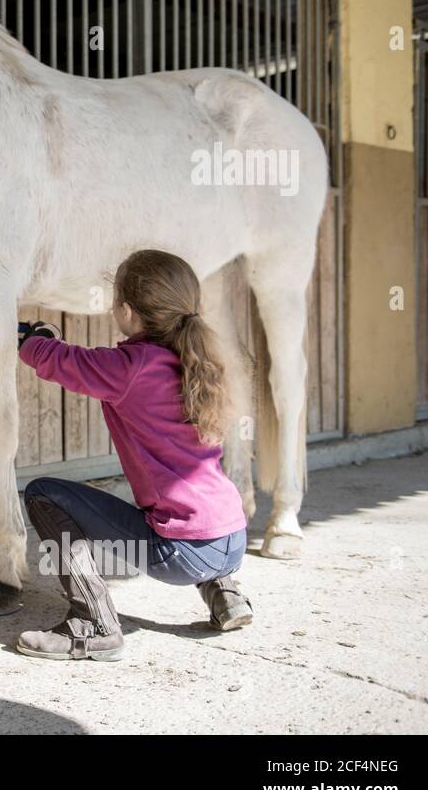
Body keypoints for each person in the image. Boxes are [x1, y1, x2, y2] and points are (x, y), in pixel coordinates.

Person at [15, 249, 253, 662]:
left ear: (126, 311)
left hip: (182, 554)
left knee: (42, 493)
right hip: (233, 539)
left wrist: (33, 340)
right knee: (193, 499)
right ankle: (225, 594)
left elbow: (62, 361)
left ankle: (94, 625)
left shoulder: (133, 366)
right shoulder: (199, 358)